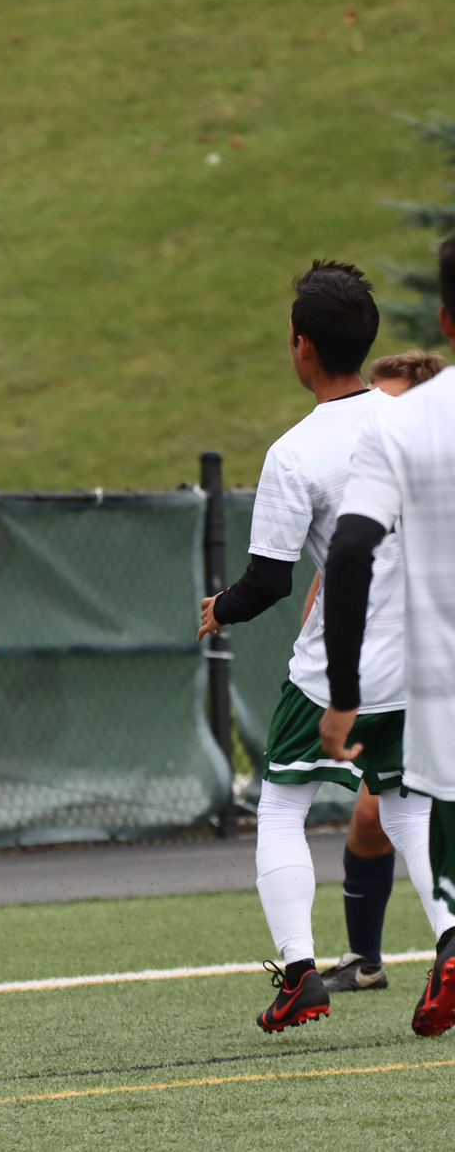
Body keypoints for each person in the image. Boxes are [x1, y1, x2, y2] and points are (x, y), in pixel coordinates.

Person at [196, 263, 455, 1034]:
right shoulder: (416, 422)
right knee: (409, 808)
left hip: (335, 671)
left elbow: (268, 583)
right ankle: (450, 941)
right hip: (424, 663)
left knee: (280, 803)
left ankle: (300, 972)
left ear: (300, 347)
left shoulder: (295, 451)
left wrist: (219, 608)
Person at [321, 235, 455, 1036]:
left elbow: (347, 550)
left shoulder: (403, 426)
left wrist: (341, 696)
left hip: (439, 697)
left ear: (443, 317)